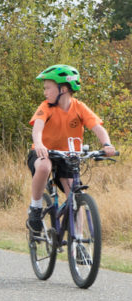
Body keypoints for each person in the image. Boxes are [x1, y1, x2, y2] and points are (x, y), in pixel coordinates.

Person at [26, 64, 116, 232]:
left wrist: (107, 144)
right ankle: (35, 207)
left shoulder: (79, 107)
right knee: (45, 166)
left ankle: (78, 240)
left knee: (74, 194)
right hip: (43, 152)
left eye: (48, 88)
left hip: (67, 156)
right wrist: (39, 144)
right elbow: (37, 129)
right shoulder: (46, 106)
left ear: (64, 88)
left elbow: (97, 127)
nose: (45, 92)